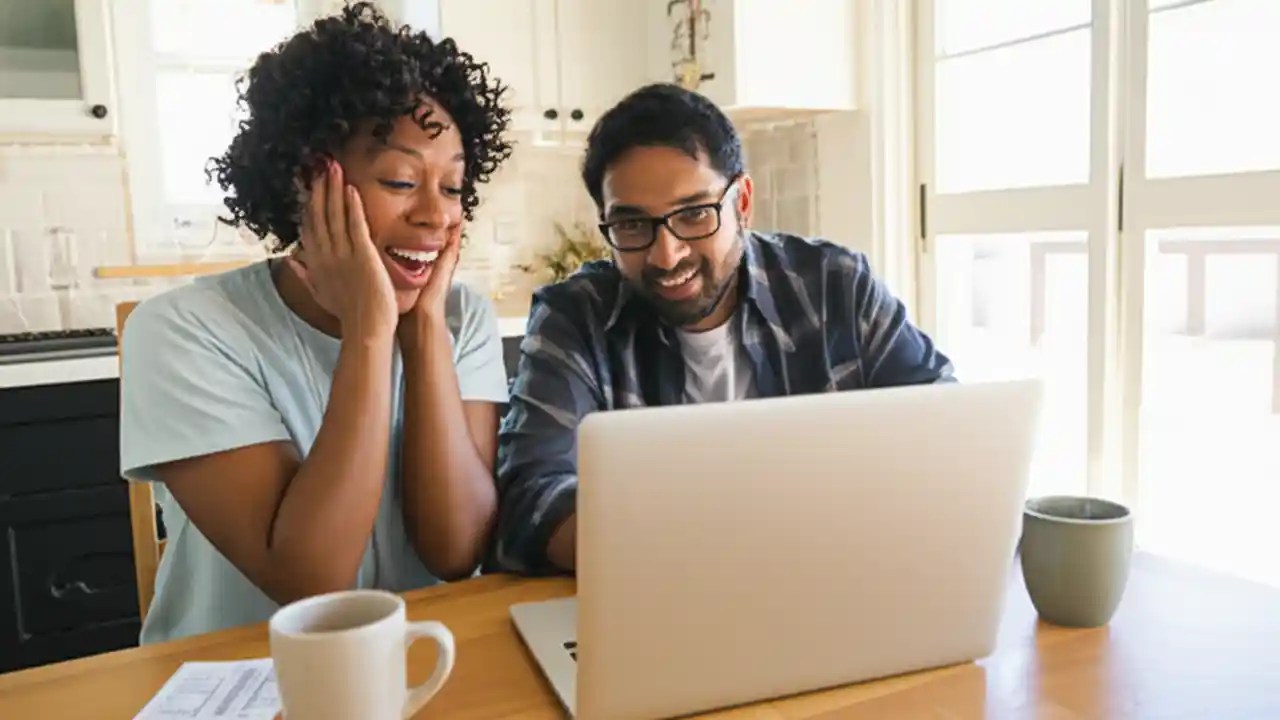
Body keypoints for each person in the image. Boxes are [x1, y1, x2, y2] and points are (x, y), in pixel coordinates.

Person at [119, 3, 514, 643]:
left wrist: (422, 334)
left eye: (452, 188)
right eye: (400, 180)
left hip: (423, 666)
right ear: (309, 181)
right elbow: (311, 581)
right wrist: (368, 329)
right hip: (240, 683)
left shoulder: (458, 318)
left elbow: (455, 549)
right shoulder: (185, 331)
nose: (436, 216)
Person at [492, 83, 955, 575]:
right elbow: (531, 499)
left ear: (743, 202)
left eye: (694, 214)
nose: (666, 255)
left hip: (835, 580)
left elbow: (947, 435)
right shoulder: (574, 317)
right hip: (662, 602)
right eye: (632, 225)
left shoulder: (837, 288)